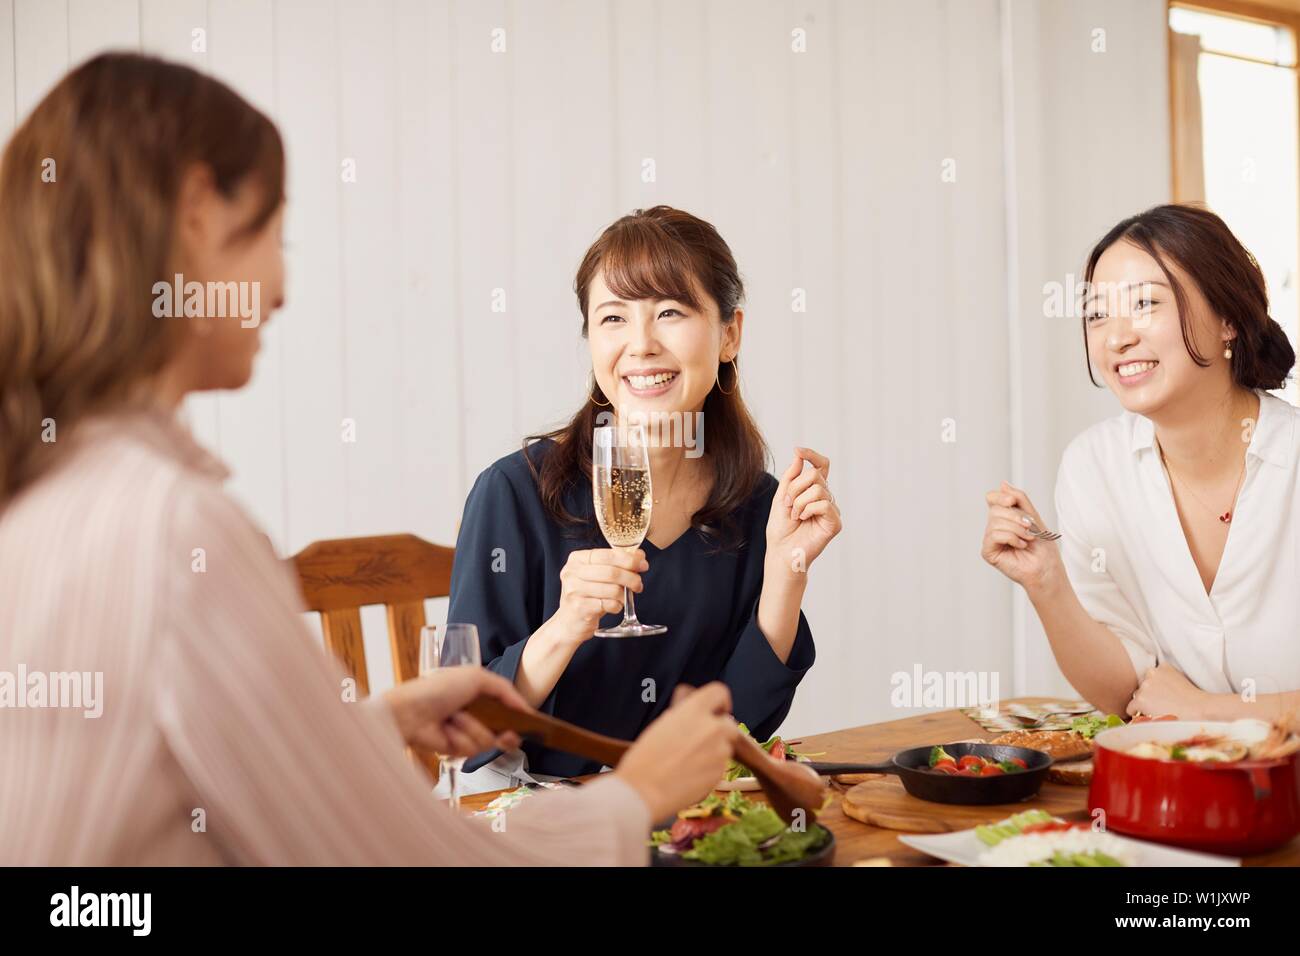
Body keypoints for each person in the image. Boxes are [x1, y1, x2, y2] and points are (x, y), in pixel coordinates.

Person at [0, 53, 738, 866]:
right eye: (276, 231)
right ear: (199, 216)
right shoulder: (173, 533)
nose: (279, 287)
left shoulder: (53, 492)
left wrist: (370, 725)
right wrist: (637, 797)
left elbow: (175, 774)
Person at [448, 206, 842, 783]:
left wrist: (787, 573)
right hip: (532, 810)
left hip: (683, 813)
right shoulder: (513, 492)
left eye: (669, 312)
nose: (640, 345)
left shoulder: (759, 506)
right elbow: (464, 726)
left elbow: (739, 733)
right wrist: (565, 627)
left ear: (730, 333)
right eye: (613, 318)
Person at [981, 204, 1300, 721]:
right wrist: (1048, 584)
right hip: (1182, 790)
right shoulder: (1093, 467)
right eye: (1098, 313)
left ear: (1229, 319)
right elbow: (1125, 689)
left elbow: (1177, 708)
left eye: (1145, 303)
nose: (1116, 336)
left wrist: (1207, 711)